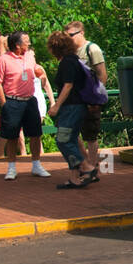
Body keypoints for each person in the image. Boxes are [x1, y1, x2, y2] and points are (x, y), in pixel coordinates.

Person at [0, 31, 52, 180]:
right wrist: (4, 104)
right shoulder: (4, 59)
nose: (29, 43)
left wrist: (42, 76)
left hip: (30, 100)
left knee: (35, 134)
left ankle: (36, 165)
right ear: (18, 45)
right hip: (12, 101)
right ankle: (12, 168)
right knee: (12, 136)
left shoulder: (30, 56)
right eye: (26, 41)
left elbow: (38, 74)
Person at [46, 30, 95, 189]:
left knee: (63, 140)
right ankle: (74, 178)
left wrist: (56, 106)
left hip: (71, 108)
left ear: (56, 48)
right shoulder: (75, 60)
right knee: (71, 140)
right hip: (77, 107)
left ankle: (86, 167)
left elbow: (68, 86)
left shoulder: (68, 62)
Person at [66, 21, 107, 181]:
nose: (68, 39)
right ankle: (87, 165)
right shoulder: (71, 52)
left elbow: (102, 74)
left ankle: (93, 166)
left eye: (71, 36)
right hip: (76, 100)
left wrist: (95, 99)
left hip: (90, 100)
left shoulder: (92, 49)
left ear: (81, 33)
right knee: (73, 133)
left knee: (90, 135)